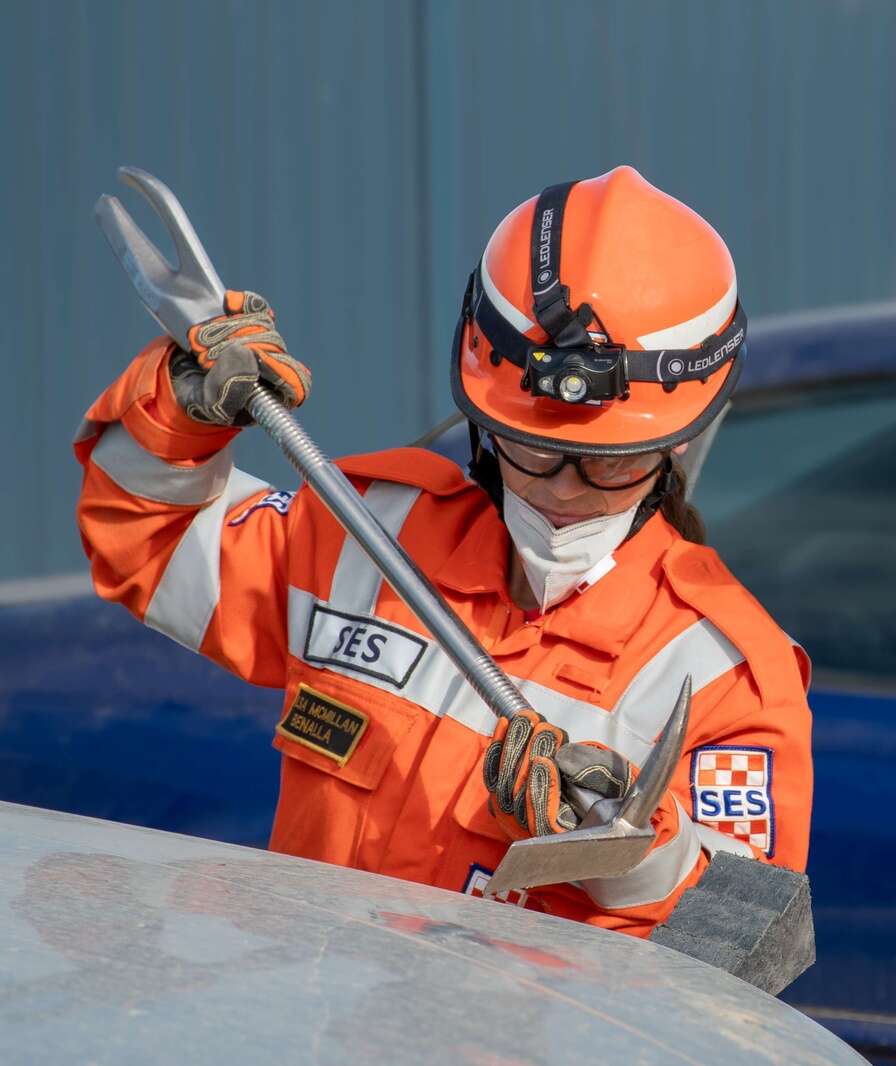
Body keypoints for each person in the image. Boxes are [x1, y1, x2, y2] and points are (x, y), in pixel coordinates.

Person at [73, 165, 812, 937]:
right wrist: (181, 411)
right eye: (533, 448)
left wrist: (634, 851)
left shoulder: (726, 677)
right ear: (484, 413)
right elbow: (148, 544)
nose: (564, 490)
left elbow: (740, 957)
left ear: (680, 438)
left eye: (611, 462)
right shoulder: (368, 535)